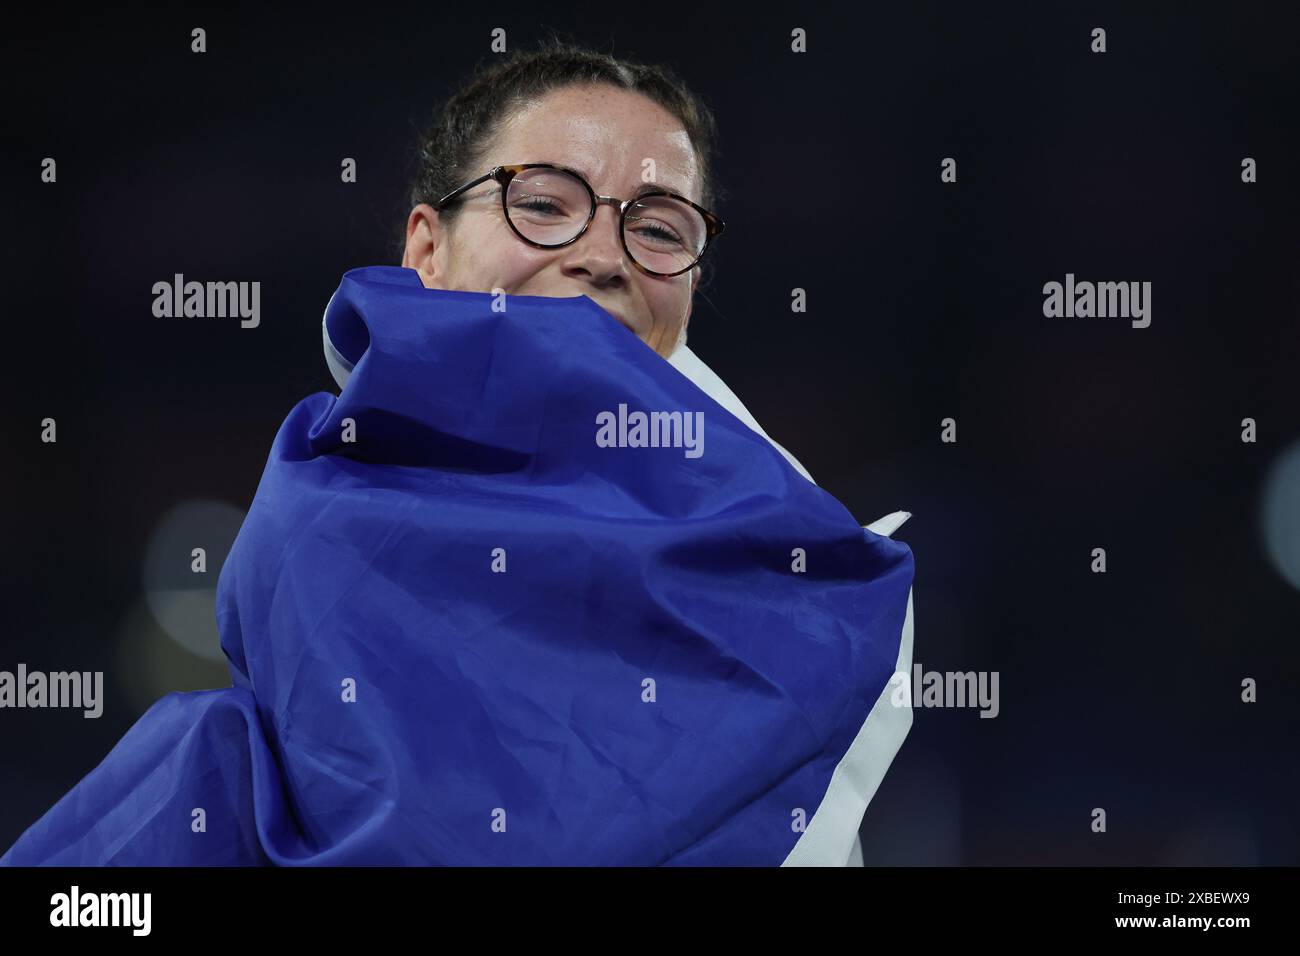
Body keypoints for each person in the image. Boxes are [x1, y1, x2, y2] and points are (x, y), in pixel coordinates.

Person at [2, 39, 914, 867]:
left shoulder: (798, 571)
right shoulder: (320, 506)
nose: (605, 254)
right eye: (545, 204)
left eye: (660, 229)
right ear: (427, 250)